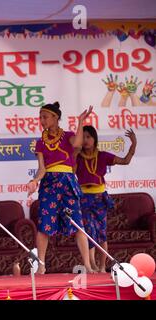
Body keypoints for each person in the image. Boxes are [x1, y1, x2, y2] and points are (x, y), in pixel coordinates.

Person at [26, 102, 95, 274]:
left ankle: (87, 265)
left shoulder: (68, 136)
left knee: (78, 225)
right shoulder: (40, 142)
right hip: (49, 184)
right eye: (40, 117)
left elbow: (78, 144)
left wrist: (80, 122)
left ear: (56, 118)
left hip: (68, 183)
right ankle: (41, 265)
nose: (42, 120)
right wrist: (34, 181)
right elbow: (42, 169)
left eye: (45, 117)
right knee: (44, 226)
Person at [75, 126, 137, 272]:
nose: (85, 140)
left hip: (100, 198)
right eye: (83, 137)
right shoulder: (76, 157)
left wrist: (133, 145)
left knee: (102, 233)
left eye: (88, 137)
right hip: (83, 199)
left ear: (95, 139)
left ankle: (102, 267)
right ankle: (92, 266)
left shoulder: (103, 156)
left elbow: (125, 161)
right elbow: (70, 170)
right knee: (88, 232)